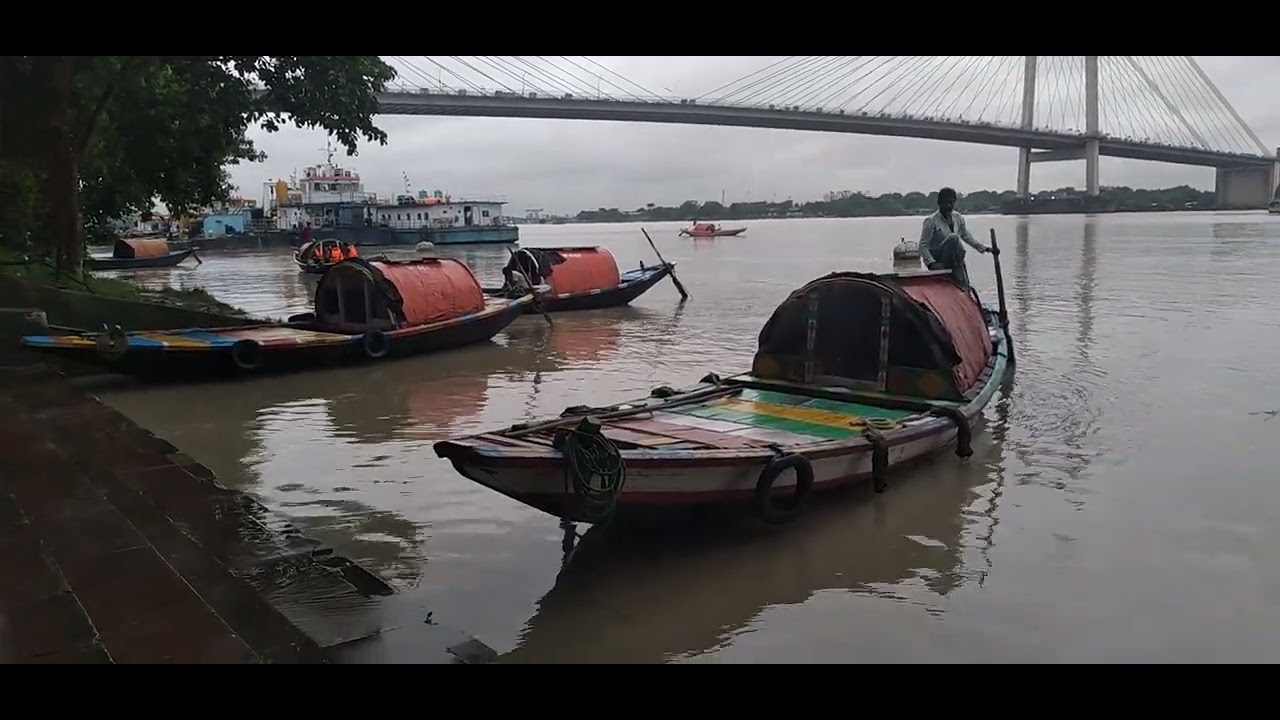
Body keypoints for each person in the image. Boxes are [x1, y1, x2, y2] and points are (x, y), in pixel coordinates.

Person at [918, 187, 995, 287]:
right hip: (938, 258)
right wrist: (931, 264)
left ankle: (965, 288)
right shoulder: (931, 221)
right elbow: (923, 246)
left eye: (951, 203)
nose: (948, 206)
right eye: (945, 203)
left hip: (956, 257)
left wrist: (985, 248)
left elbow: (967, 237)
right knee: (954, 238)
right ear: (939, 203)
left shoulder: (958, 218)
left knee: (963, 282)